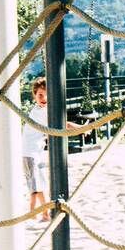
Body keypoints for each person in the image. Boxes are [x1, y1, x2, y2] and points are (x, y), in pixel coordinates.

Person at [21, 77, 78, 221]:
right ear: (34, 95)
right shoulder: (40, 112)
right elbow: (62, 124)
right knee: (36, 186)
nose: (44, 98)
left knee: (38, 184)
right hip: (30, 153)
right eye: (40, 95)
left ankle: (39, 213)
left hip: (34, 152)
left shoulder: (40, 109)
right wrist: (81, 128)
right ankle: (35, 213)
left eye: (47, 95)